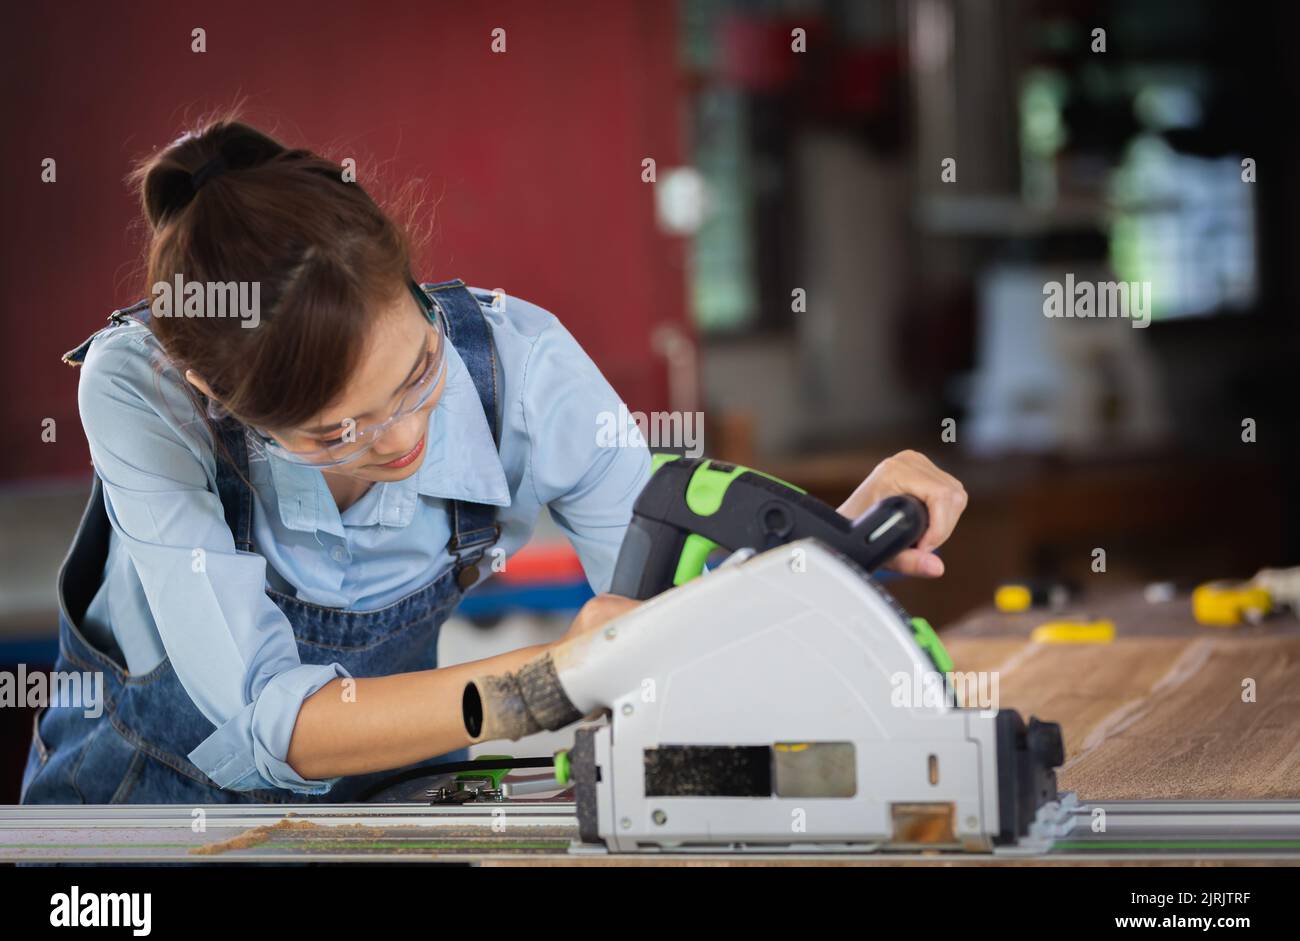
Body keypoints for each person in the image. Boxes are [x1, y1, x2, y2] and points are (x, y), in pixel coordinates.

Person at [20, 117, 968, 805]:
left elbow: (681, 583)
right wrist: (555, 677)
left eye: (417, 375)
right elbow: (269, 721)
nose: (399, 439)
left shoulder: (525, 365)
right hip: (136, 820)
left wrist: (822, 556)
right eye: (331, 433)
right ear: (212, 390)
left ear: (411, 285)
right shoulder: (141, 385)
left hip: (379, 806)